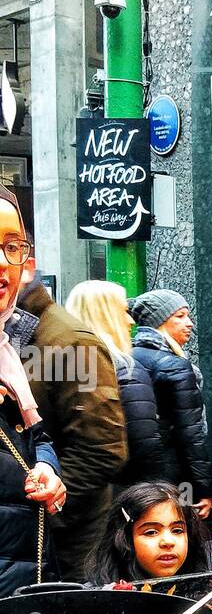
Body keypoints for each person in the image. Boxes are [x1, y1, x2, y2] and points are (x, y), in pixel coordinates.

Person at [17, 223, 127, 581]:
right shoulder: (14, 332)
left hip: (62, 548)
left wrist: (32, 508)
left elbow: (102, 451)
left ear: (25, 264)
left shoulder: (69, 341)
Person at [0, 197, 66, 594]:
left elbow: (36, 435)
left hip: (25, 580)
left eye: (11, 245)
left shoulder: (10, 347)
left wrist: (48, 469)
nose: (3, 261)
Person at [65, 280, 167, 488]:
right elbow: (144, 445)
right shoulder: (125, 369)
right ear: (104, 317)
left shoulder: (57, 366)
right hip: (119, 495)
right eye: (123, 311)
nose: (130, 320)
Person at [129, 290, 212, 518]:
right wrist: (203, 489)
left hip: (139, 476)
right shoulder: (174, 365)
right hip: (178, 475)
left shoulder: (126, 357)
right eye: (180, 316)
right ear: (160, 321)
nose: (189, 324)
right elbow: (191, 434)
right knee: (185, 530)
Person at [86, 481, 211, 586]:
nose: (168, 542)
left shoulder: (209, 595)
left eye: (177, 530)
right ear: (125, 539)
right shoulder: (101, 597)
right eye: (151, 532)